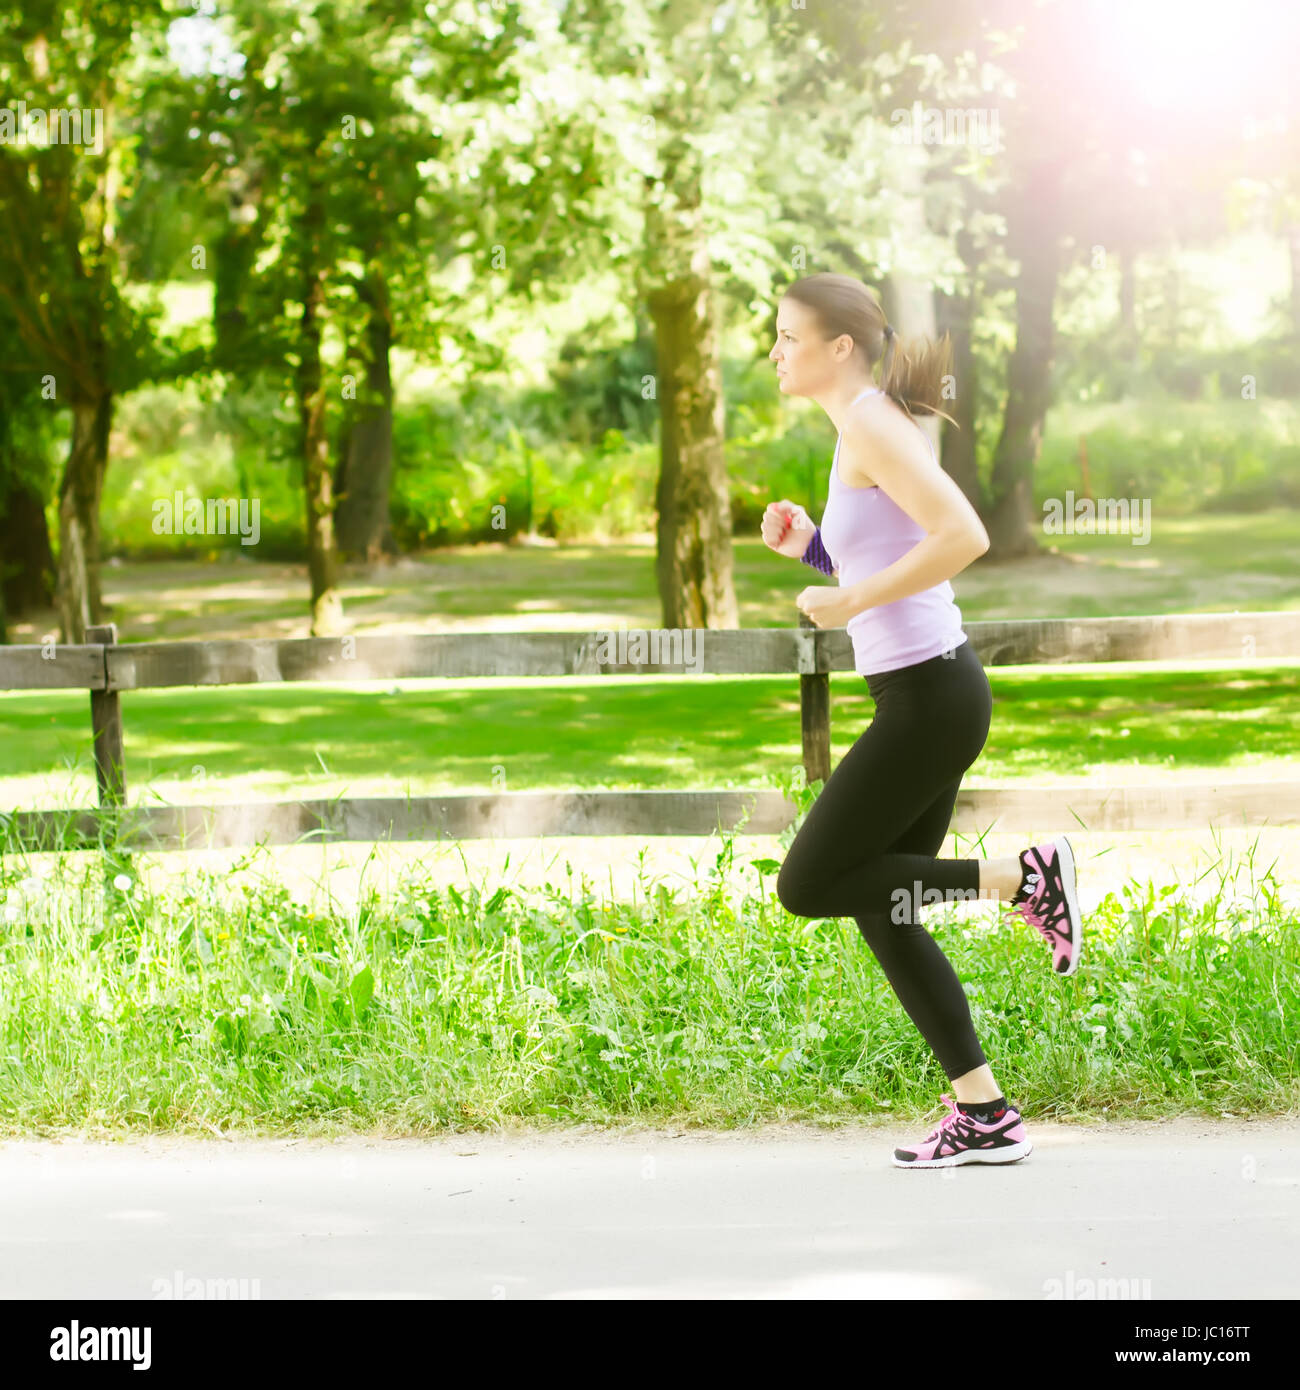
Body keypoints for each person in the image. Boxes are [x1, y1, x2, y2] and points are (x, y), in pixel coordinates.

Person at [762, 272, 1083, 1169]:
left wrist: (849, 597)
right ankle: (985, 1115)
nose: (774, 352)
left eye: (787, 336)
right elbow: (899, 552)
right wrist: (814, 550)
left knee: (808, 884)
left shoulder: (870, 420)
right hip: (927, 696)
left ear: (838, 348)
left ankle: (1022, 879)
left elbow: (964, 534)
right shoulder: (857, 427)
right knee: (887, 906)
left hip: (930, 700)